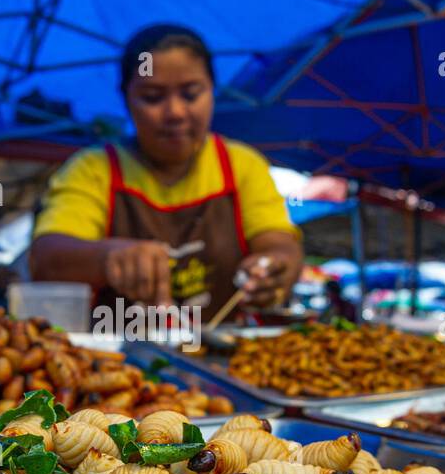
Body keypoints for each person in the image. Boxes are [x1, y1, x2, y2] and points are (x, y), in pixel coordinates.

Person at [29, 24, 303, 320]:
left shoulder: (241, 166)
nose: (174, 112)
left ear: (212, 91)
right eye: (152, 97)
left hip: (221, 357)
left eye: (190, 94)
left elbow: (279, 244)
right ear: (126, 100)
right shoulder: (93, 170)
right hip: (121, 356)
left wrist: (275, 266)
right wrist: (107, 257)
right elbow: (47, 258)